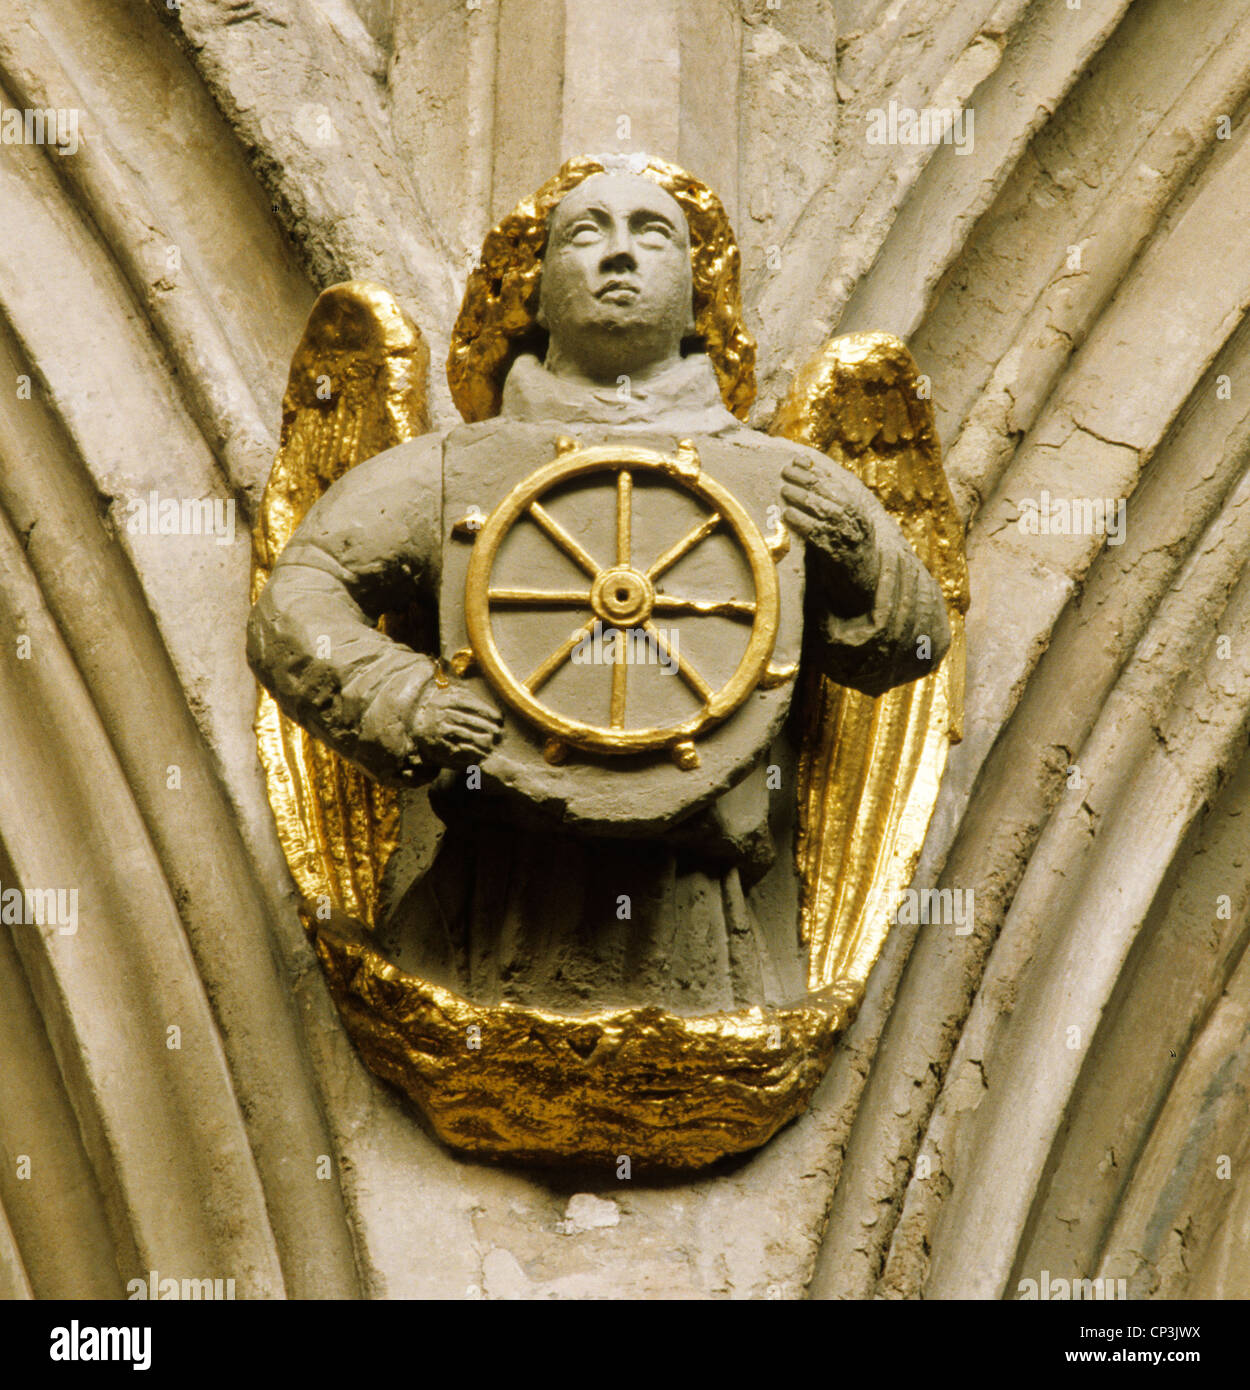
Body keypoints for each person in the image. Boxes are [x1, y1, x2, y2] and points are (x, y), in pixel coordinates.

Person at [248, 166, 949, 1015]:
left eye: (653, 235)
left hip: (693, 898)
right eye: (586, 234)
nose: (619, 253)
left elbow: (912, 646)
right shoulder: (450, 473)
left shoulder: (781, 479)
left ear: (701, 295)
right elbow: (299, 601)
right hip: (498, 888)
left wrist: (861, 550)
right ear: (533, 293)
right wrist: (407, 700)